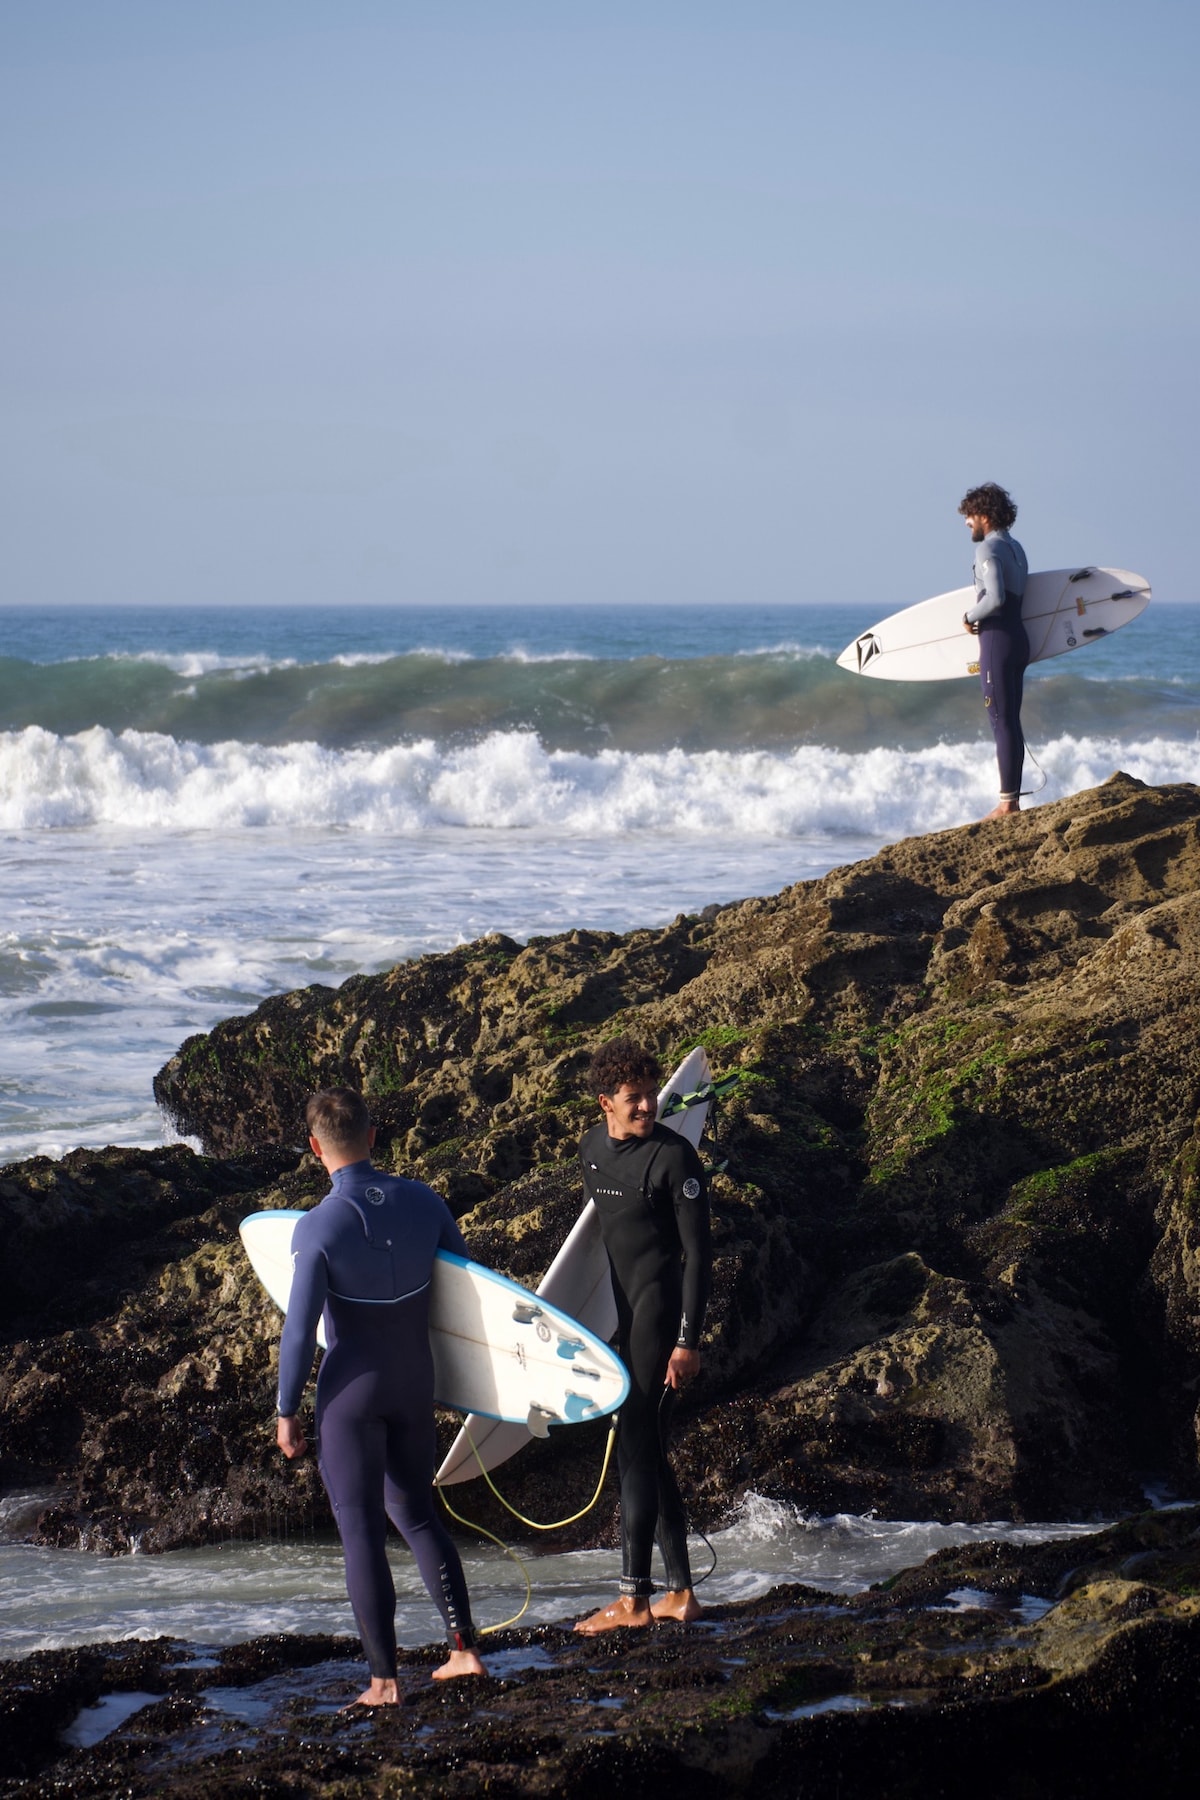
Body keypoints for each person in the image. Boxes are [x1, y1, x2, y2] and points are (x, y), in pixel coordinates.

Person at [275, 1087, 486, 1701]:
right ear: (372, 1136)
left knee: (361, 1530)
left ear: (316, 1148)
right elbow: (470, 1300)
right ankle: (464, 1651)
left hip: (352, 1393)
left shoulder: (320, 1226)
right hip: (415, 1382)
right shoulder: (425, 1201)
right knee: (418, 1515)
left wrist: (286, 1410)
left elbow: (298, 1331)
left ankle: (384, 1681)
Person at [573, 1038, 711, 1634]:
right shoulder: (589, 1151)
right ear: (606, 1103)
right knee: (649, 1451)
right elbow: (589, 1250)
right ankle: (679, 1592)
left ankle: (633, 1601)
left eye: (651, 1095)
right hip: (624, 1323)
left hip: (661, 1323)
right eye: (634, 1099)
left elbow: (700, 1257)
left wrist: (688, 1341)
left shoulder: (675, 1159)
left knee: (634, 1447)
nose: (648, 1106)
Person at [959, 481, 1030, 818]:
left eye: (970, 515)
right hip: (1018, 638)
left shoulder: (987, 550)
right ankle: (1012, 798)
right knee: (1010, 720)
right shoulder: (1017, 549)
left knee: (1000, 720)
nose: (966, 522)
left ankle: (1007, 804)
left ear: (984, 515)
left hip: (996, 640)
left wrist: (969, 616)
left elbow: (996, 597)